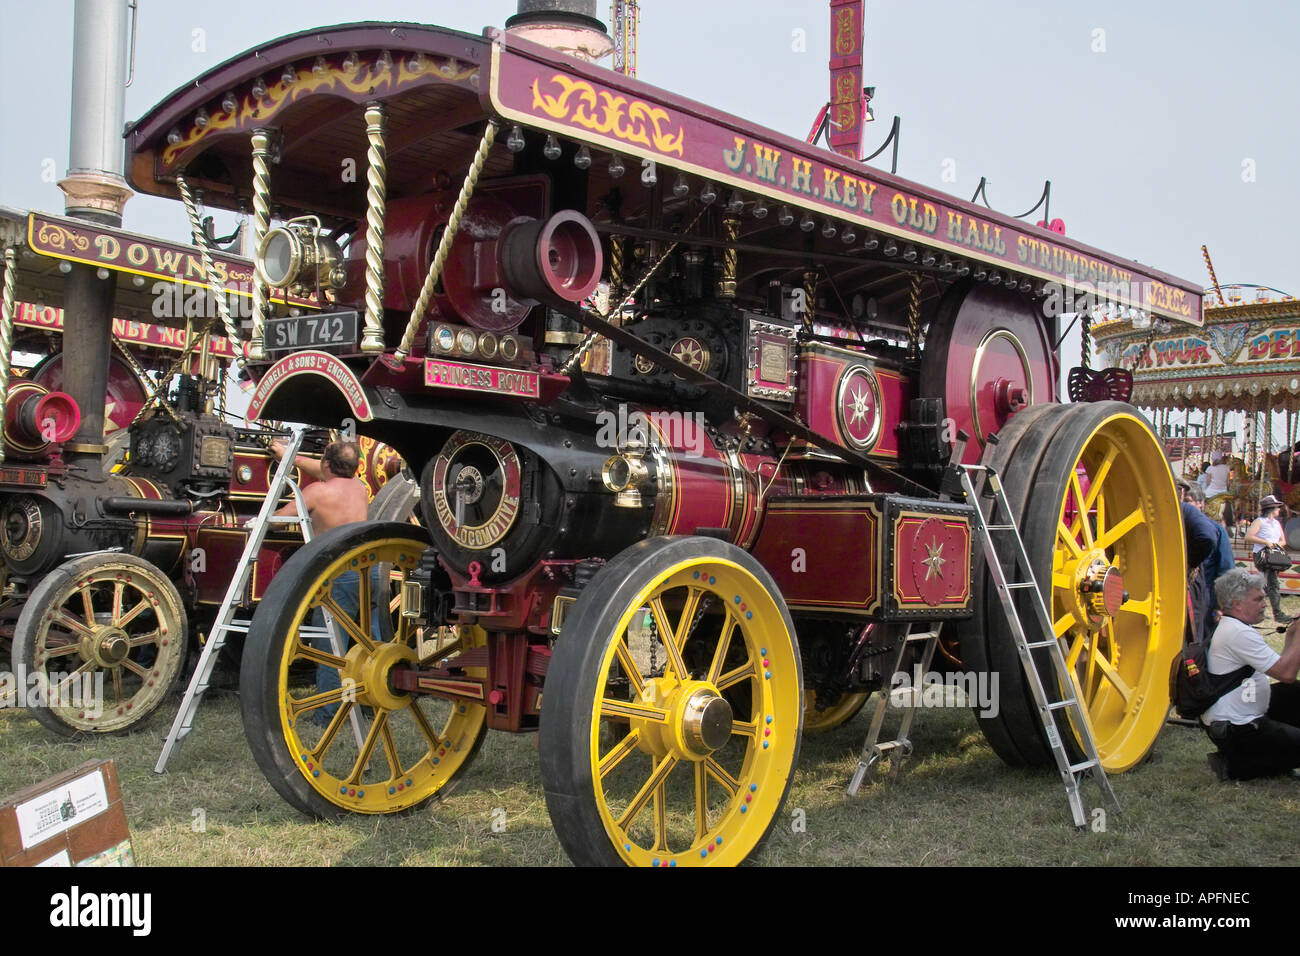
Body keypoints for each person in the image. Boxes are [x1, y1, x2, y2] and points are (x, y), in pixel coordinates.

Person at [269, 439, 377, 723]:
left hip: (340, 574)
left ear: (327, 464)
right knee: (372, 643)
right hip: (371, 568)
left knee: (331, 646)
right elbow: (328, 470)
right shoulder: (360, 488)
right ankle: (374, 702)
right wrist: (288, 455)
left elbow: (276, 519)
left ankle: (329, 714)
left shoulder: (316, 492)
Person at [1202, 568, 1300, 781]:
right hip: (1238, 728)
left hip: (1243, 715)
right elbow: (1287, 673)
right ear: (1237, 604)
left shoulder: (1234, 626)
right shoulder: (1238, 633)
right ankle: (1236, 765)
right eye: (1258, 599)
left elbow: (1279, 667)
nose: (1265, 604)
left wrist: (1292, 634)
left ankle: (1275, 754)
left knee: (1295, 692)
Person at [1180, 481, 1235, 640]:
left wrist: (1221, 606)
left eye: (1189, 503)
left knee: (1200, 641)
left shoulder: (1216, 530)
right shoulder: (1173, 527)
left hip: (1205, 600)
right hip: (1179, 596)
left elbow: (1226, 570)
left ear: (1201, 504)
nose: (1186, 507)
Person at [1244, 494, 1291, 622]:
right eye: (1277, 508)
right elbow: (1248, 536)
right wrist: (1266, 543)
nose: (1279, 510)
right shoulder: (1260, 521)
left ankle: (1255, 609)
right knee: (1273, 584)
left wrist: (1275, 545)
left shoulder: (1276, 523)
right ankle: (1278, 614)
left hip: (1273, 556)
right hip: (1263, 555)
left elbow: (1283, 541)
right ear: (1271, 508)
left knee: (1265, 585)